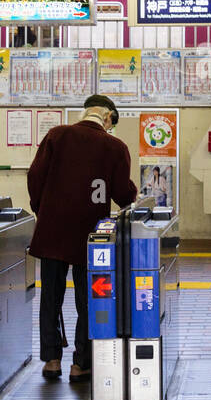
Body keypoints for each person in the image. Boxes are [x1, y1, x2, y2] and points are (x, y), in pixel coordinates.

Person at [27, 95, 137, 382]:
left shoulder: (56, 135)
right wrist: (134, 193)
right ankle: (81, 363)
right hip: (91, 236)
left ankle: (51, 360)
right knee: (88, 299)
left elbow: (34, 176)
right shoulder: (114, 146)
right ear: (109, 117)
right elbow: (123, 194)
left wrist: (43, 208)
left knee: (50, 296)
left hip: (52, 232)